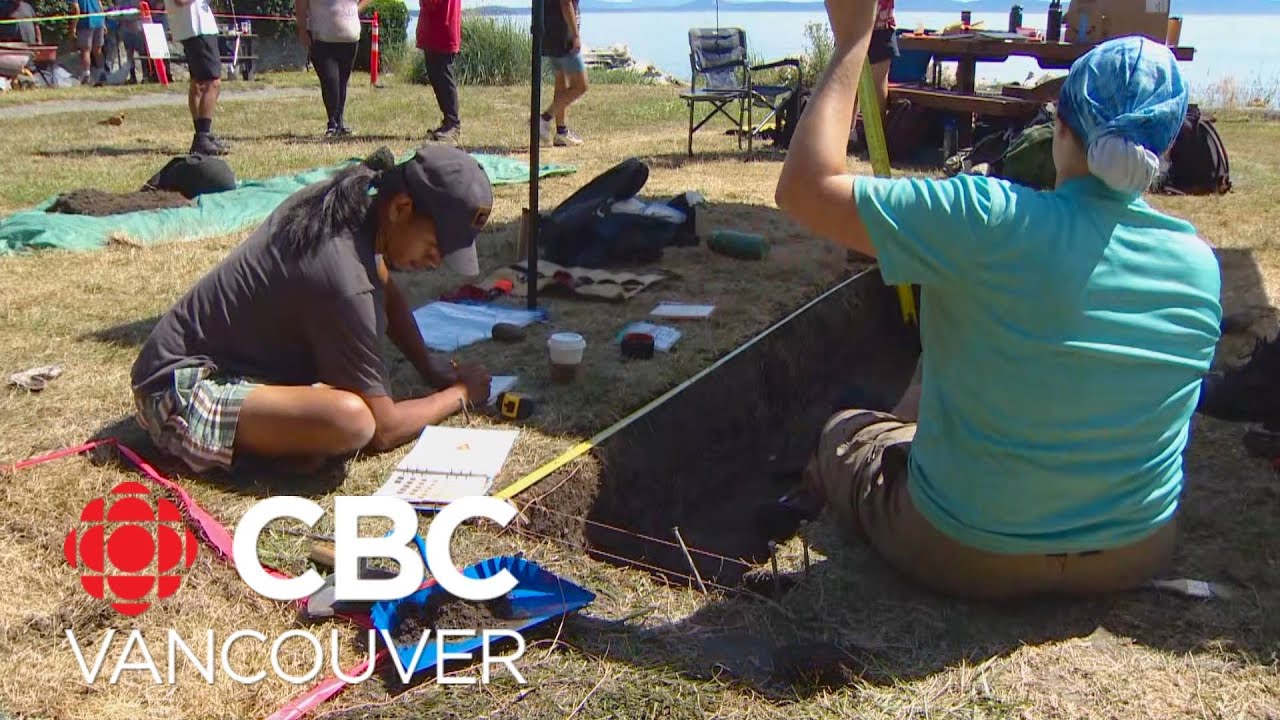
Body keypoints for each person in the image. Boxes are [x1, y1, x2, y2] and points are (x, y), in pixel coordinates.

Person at [775, 2, 1222, 600]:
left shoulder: (987, 219)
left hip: (966, 547)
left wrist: (855, 38)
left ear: (1060, 126)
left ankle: (804, 503)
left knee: (846, 431)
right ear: (1163, 150)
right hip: (1131, 550)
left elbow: (804, 187)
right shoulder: (1199, 264)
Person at [130, 146, 495, 475]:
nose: (436, 262)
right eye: (434, 247)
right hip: (179, 391)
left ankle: (283, 444)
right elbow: (385, 429)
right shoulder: (342, 277)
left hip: (216, 365)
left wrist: (428, 367)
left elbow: (385, 286)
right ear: (402, 207)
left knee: (337, 414)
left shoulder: (350, 207)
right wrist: (460, 394)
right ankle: (271, 452)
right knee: (352, 421)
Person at [297, 0, 370, 137]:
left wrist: (356, 9)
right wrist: (302, 29)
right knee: (330, 81)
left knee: (342, 82)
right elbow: (300, 3)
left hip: (350, 40)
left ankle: (339, 122)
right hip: (322, 38)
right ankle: (332, 123)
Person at [168, 0, 226, 155]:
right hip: (196, 28)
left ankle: (202, 135)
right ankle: (203, 136)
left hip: (192, 27)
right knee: (212, 83)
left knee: (198, 83)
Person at [537, 0, 588, 148]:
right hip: (564, 37)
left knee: (561, 83)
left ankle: (561, 132)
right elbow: (565, 3)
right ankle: (544, 119)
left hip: (551, 34)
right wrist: (575, 36)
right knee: (581, 86)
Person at [417, 0, 463, 144]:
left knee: (443, 77)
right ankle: (448, 122)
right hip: (435, 31)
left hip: (442, 30)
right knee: (437, 76)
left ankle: (453, 124)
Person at [71, 0, 107, 84]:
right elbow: (100, 6)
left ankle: (86, 74)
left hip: (86, 22)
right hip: (99, 21)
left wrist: (74, 26)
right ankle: (102, 72)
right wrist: (104, 23)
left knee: (85, 50)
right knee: (98, 50)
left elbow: (76, 9)